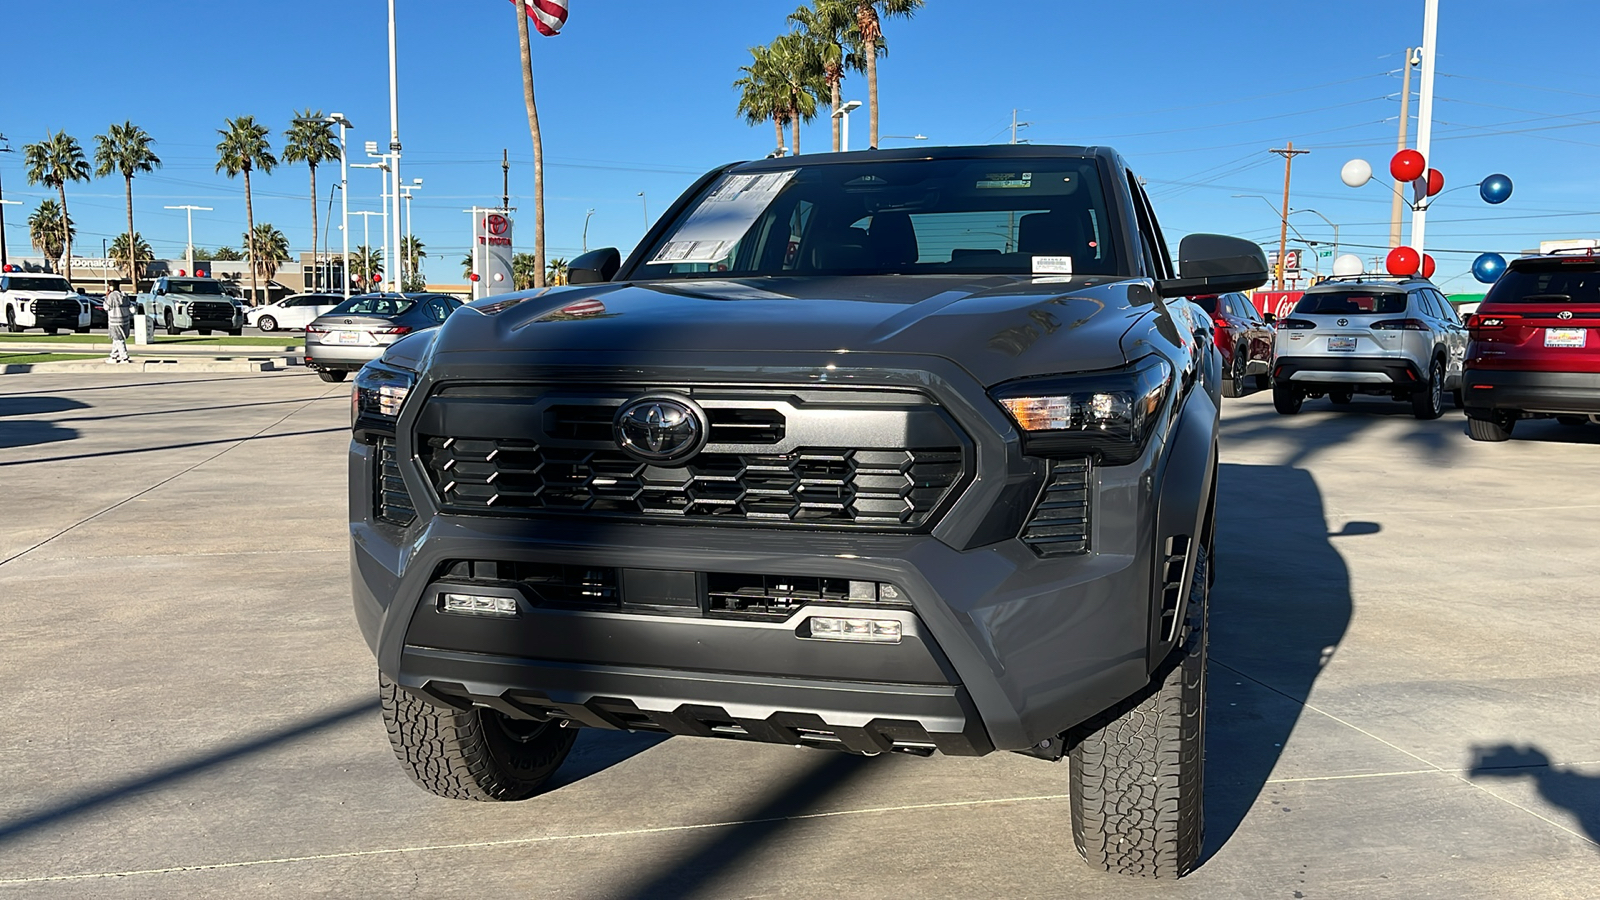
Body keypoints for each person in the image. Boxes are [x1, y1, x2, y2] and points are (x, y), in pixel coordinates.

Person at [104, 287, 132, 364]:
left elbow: (106, 307)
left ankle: (124, 357)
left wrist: (106, 297)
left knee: (119, 339)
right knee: (116, 339)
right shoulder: (125, 296)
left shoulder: (111, 296)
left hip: (114, 321)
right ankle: (114, 356)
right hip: (125, 320)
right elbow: (131, 308)